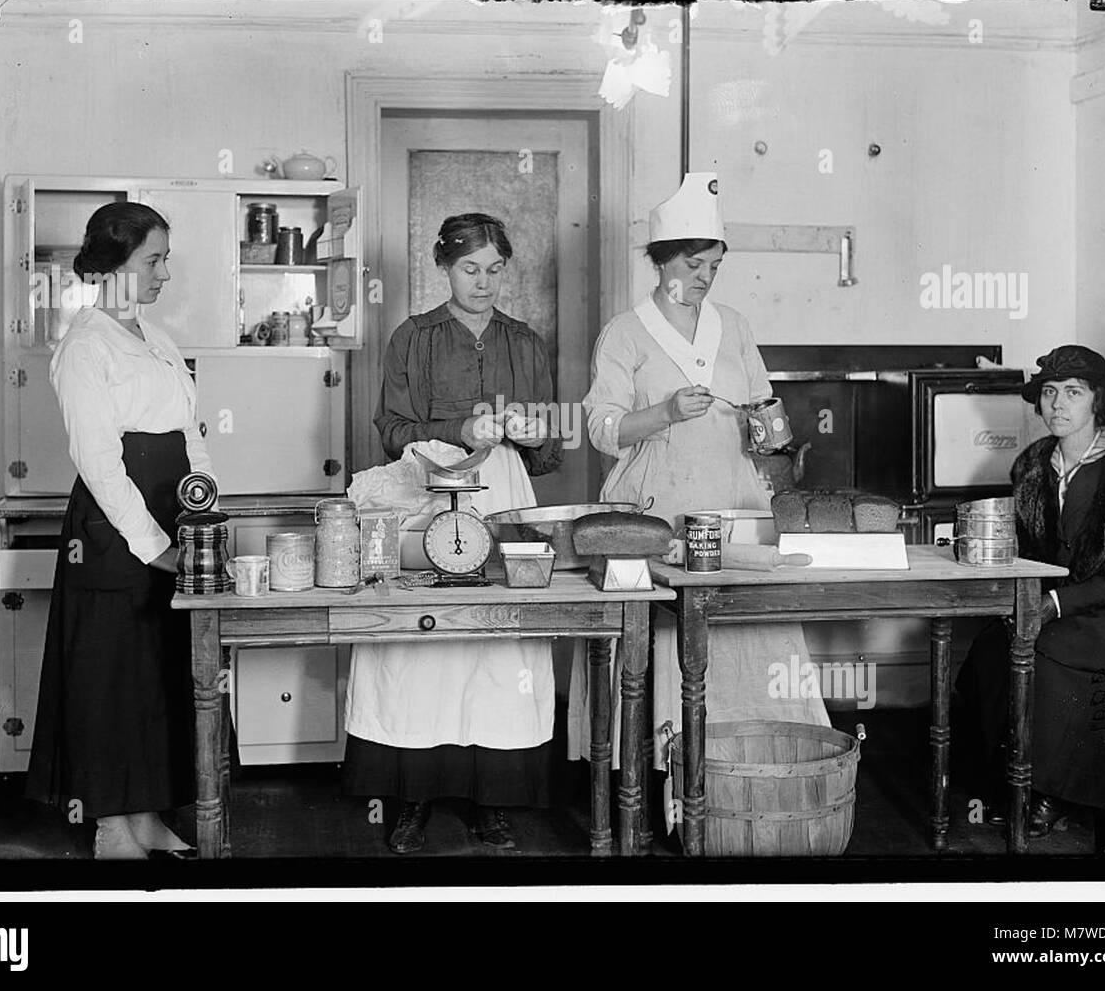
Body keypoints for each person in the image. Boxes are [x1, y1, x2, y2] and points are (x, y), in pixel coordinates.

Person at [570, 173, 828, 778]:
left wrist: (776, 436)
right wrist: (662, 412)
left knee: (747, 636)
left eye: (714, 265)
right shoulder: (625, 333)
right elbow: (601, 429)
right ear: (663, 262)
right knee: (662, 644)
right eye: (694, 263)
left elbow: (763, 408)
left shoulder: (733, 326)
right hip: (656, 510)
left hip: (733, 504)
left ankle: (758, 769)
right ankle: (663, 778)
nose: (706, 277)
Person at [346, 212, 563, 853]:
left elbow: (547, 452)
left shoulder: (525, 343)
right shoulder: (413, 337)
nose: (484, 282)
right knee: (423, 645)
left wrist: (535, 434)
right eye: (471, 268)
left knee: (497, 648)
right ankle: (412, 798)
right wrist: (455, 434)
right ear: (444, 267)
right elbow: (389, 430)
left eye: (495, 269)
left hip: (504, 497)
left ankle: (486, 801)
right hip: (427, 492)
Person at [26, 202, 215, 860]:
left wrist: (201, 493)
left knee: (157, 671)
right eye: (154, 260)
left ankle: (149, 816)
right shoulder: (85, 343)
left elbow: (190, 431)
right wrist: (153, 543)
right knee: (111, 675)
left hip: (170, 513)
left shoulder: (155, 338)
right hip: (114, 529)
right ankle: (111, 826)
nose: (166, 272)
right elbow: (100, 462)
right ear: (113, 264)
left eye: (165, 258)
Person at [956, 345, 1105, 857]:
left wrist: (1055, 603)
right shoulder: (1032, 464)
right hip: (1046, 603)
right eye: (1050, 393)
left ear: (1098, 403)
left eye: (1073, 393)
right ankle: (1016, 783)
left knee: (1049, 656)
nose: (1058, 404)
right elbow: (1025, 553)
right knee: (988, 653)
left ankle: (1056, 794)